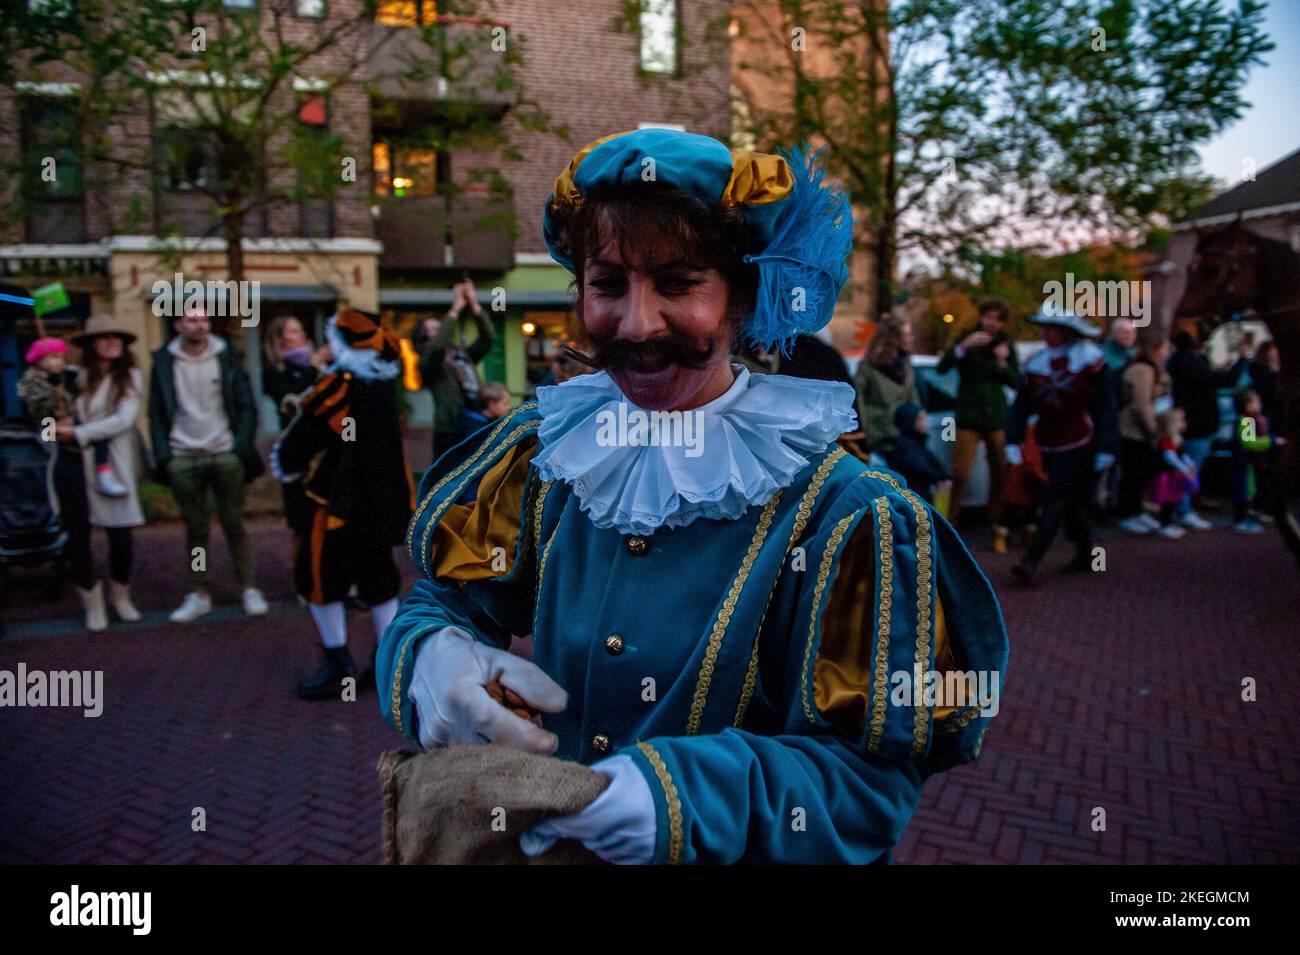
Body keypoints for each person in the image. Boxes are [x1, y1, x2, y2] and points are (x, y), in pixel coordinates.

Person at [378, 128, 1008, 865]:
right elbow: (444, 600)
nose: (637, 323)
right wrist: (432, 657)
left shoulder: (849, 512)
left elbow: (869, 781)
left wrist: (674, 799)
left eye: (678, 283)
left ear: (741, 298)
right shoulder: (544, 454)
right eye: (608, 284)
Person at [272, 309, 416, 698]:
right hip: (378, 503)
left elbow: (303, 439)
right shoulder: (386, 385)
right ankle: (390, 666)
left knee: (320, 576)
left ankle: (338, 663)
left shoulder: (340, 385)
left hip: (337, 502)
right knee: (379, 580)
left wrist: (287, 465)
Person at [148, 307, 268, 623]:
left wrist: (239, 447)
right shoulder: (164, 361)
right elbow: (156, 412)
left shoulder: (227, 356)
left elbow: (247, 406)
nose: (200, 326)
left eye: (204, 320)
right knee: (196, 529)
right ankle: (199, 592)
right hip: (183, 455)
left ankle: (248, 588)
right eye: (192, 320)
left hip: (224, 453)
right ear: (178, 325)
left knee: (235, 524)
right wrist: (165, 456)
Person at [1006, 308, 1118, 582]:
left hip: (1081, 439)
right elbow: (1021, 405)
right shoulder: (1037, 363)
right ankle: (1086, 553)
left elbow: (1106, 405)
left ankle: (1030, 562)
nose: (1047, 334)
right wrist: (1013, 437)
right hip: (1048, 440)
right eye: (1044, 328)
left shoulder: (1091, 360)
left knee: (1053, 496)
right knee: (1071, 502)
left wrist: (1107, 446)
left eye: (1052, 328)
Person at [935, 299, 1021, 551]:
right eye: (988, 317)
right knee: (959, 473)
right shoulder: (967, 338)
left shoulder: (1006, 344)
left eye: (997, 318)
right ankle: (951, 523)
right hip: (968, 417)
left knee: (1000, 471)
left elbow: (1017, 382)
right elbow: (942, 367)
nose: (991, 322)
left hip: (995, 417)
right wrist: (963, 347)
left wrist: (1003, 361)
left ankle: (997, 523)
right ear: (982, 317)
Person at [19, 337, 126, 499]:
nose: (59, 362)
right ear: (39, 360)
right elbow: (39, 408)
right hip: (46, 423)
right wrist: (54, 394)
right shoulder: (32, 381)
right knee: (53, 457)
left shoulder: (68, 376)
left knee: (96, 434)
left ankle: (104, 473)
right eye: (54, 357)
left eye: (62, 357)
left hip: (69, 422)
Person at [1166, 330, 1248, 528]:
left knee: (1188, 467)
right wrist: (1241, 360)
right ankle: (1183, 510)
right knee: (1191, 468)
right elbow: (1225, 380)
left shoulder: (1180, 363)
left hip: (1193, 423)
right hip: (1198, 424)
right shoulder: (1190, 364)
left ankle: (1183, 508)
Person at [412, 280, 495, 460]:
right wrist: (455, 309)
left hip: (474, 419)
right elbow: (436, 348)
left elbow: (488, 338)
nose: (442, 329)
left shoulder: (460, 354)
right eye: (436, 329)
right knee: (445, 477)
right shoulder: (428, 361)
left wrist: (472, 303)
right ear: (423, 338)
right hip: (450, 427)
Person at [262, 316, 324, 536]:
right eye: (294, 331)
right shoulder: (274, 373)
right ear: (280, 340)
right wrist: (313, 369)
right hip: (296, 451)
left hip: (323, 449)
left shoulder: (320, 368)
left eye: (301, 330)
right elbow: (290, 397)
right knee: (302, 519)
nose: (302, 335)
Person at [1116, 339, 1169, 535]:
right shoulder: (1143, 371)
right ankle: (1128, 512)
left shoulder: (1143, 370)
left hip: (1135, 429)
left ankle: (1135, 510)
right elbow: (1141, 403)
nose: (1166, 353)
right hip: (1134, 430)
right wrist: (1151, 427)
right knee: (1133, 473)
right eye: (1163, 348)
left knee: (1137, 473)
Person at [854, 318, 919, 453]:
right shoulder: (868, 367)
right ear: (893, 338)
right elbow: (857, 402)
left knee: (934, 471)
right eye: (906, 335)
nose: (911, 339)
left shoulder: (905, 365)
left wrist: (918, 416)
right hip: (881, 438)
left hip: (907, 435)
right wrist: (864, 434)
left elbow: (913, 397)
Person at [1229, 387, 1277, 534]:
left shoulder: (1251, 419)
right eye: (1256, 401)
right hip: (1243, 463)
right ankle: (1240, 521)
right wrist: (1270, 441)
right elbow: (1249, 442)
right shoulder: (1247, 421)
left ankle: (1247, 517)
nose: (1259, 403)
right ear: (1247, 405)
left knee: (1249, 491)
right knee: (1243, 493)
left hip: (1247, 463)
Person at [1145, 407, 1197, 539]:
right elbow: (1171, 458)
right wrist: (1184, 468)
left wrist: (1189, 463)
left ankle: (1170, 523)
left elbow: (1181, 455)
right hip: (1166, 477)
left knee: (1172, 500)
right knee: (1167, 501)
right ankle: (1165, 525)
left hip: (1173, 476)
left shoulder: (1177, 439)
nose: (1184, 422)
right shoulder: (1168, 440)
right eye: (1181, 420)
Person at [883, 401, 950, 504]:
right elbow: (920, 466)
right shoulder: (903, 447)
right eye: (920, 419)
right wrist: (937, 477)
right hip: (912, 499)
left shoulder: (918, 443)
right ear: (909, 421)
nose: (924, 423)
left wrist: (943, 476)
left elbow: (932, 461)